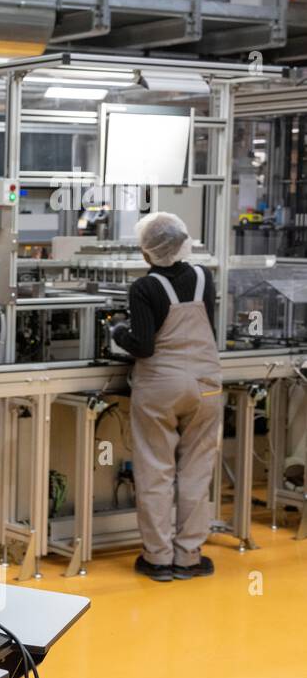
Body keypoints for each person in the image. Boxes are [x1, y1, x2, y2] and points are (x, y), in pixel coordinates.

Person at [111, 211, 221, 583]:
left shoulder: (145, 287)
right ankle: (189, 557)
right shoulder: (205, 277)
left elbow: (142, 345)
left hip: (161, 387)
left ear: (147, 251)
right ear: (183, 242)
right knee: (197, 471)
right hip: (206, 384)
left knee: (156, 470)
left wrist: (118, 332)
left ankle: (157, 559)